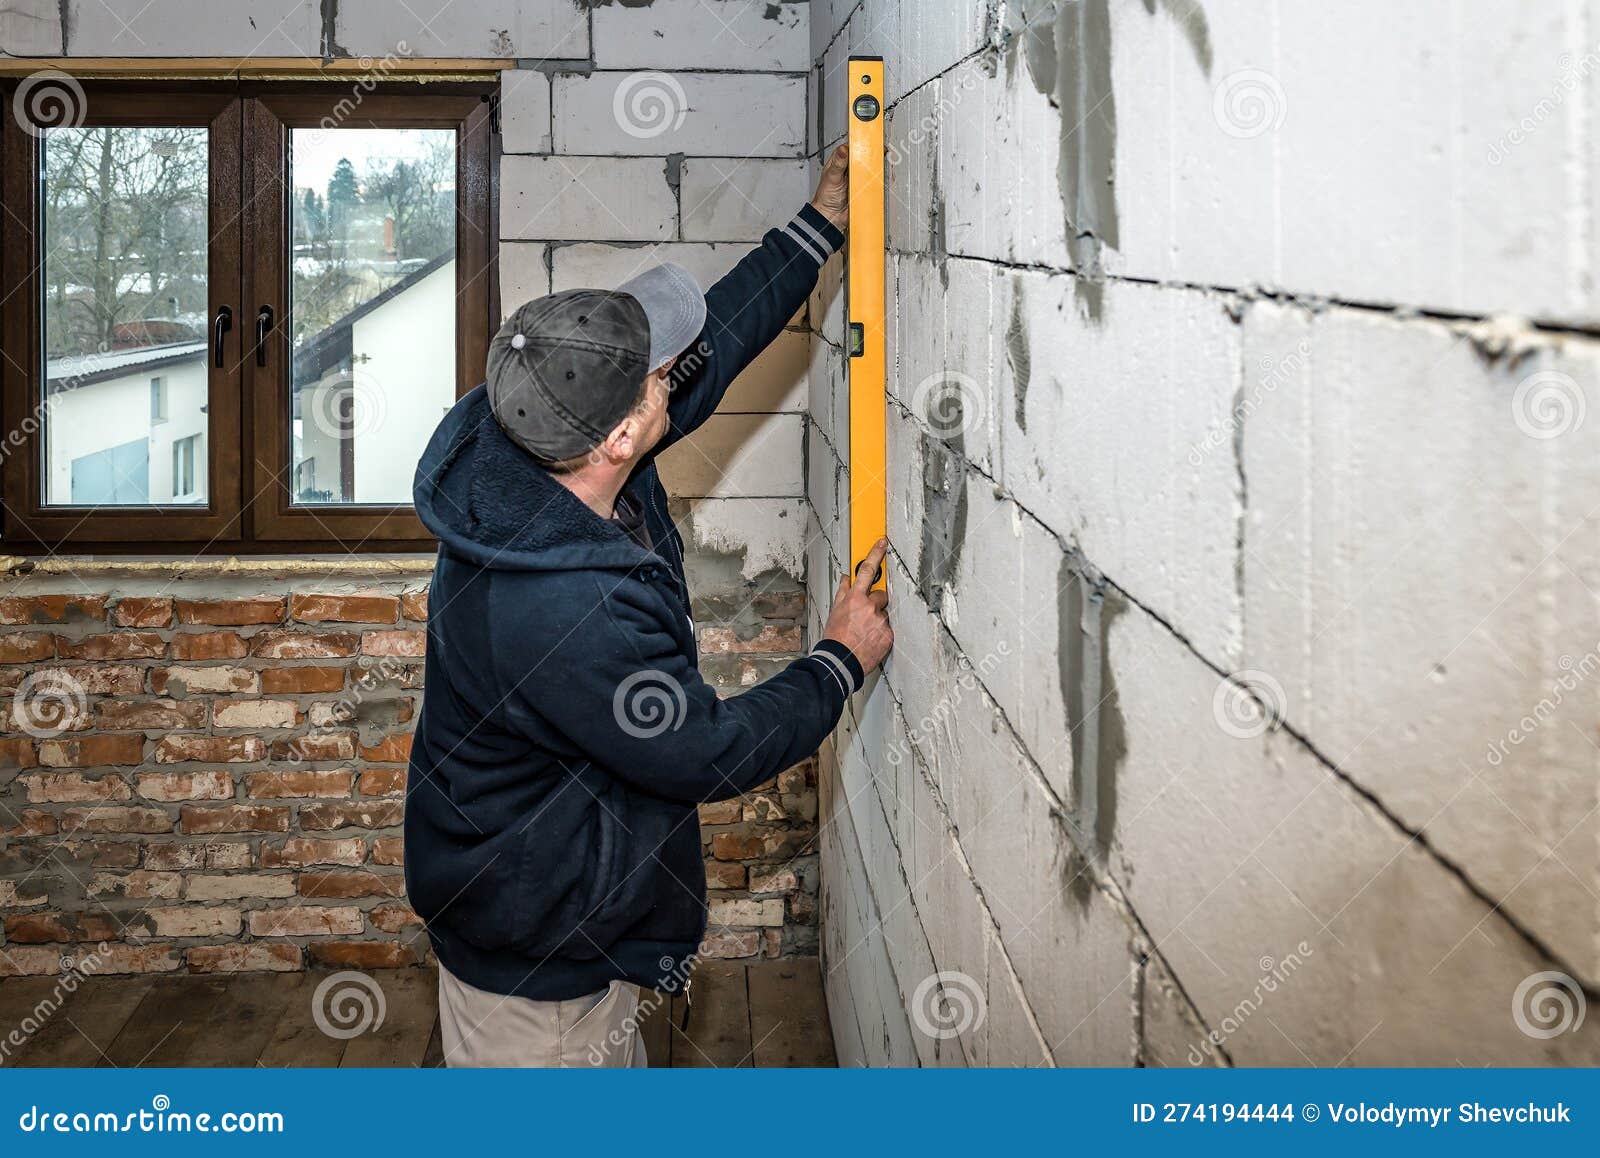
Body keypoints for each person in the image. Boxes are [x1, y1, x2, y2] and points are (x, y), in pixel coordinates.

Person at [406, 144, 892, 1067]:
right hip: (536, 971)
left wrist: (819, 225)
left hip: (555, 896)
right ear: (622, 432)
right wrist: (838, 660)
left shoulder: (524, 439)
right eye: (657, 373)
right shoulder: (559, 613)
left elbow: (710, 357)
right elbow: (701, 751)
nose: (677, 371)